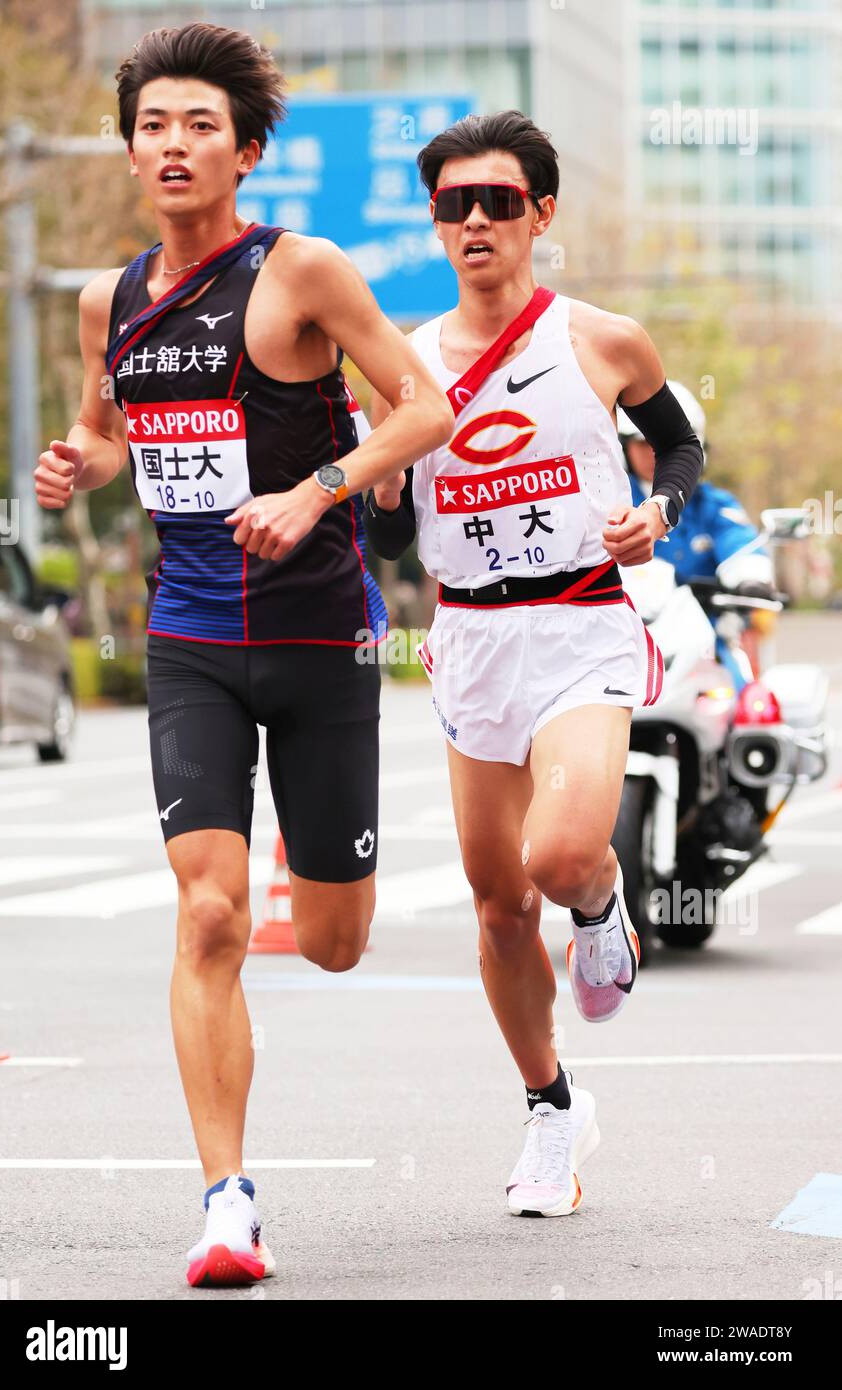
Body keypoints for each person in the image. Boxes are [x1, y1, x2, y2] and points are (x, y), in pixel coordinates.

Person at [33, 22, 452, 1287]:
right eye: (152, 125)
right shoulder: (113, 297)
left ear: (245, 151)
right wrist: (78, 462)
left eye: (197, 125)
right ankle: (227, 1201)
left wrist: (320, 488)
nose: (172, 144)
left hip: (321, 639)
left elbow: (422, 405)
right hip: (192, 640)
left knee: (331, 940)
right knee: (208, 910)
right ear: (127, 150)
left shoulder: (304, 272)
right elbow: (110, 433)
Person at [363, 111, 703, 1218]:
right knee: (498, 903)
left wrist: (653, 507)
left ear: (537, 215)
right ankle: (552, 1109)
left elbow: (682, 446)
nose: (474, 222)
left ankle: (600, 903)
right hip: (469, 640)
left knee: (557, 856)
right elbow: (388, 542)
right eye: (453, 204)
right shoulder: (401, 368)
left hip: (579, 626)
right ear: (432, 220)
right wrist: (370, 494)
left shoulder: (602, 340)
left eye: (497, 203)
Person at [619, 382, 775, 683]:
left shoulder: (714, 506)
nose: (656, 454)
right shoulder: (608, 500)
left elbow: (740, 542)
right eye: (643, 443)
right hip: (620, 641)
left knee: (745, 703)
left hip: (704, 643)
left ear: (694, 448)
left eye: (667, 445)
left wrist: (751, 577)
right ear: (625, 447)